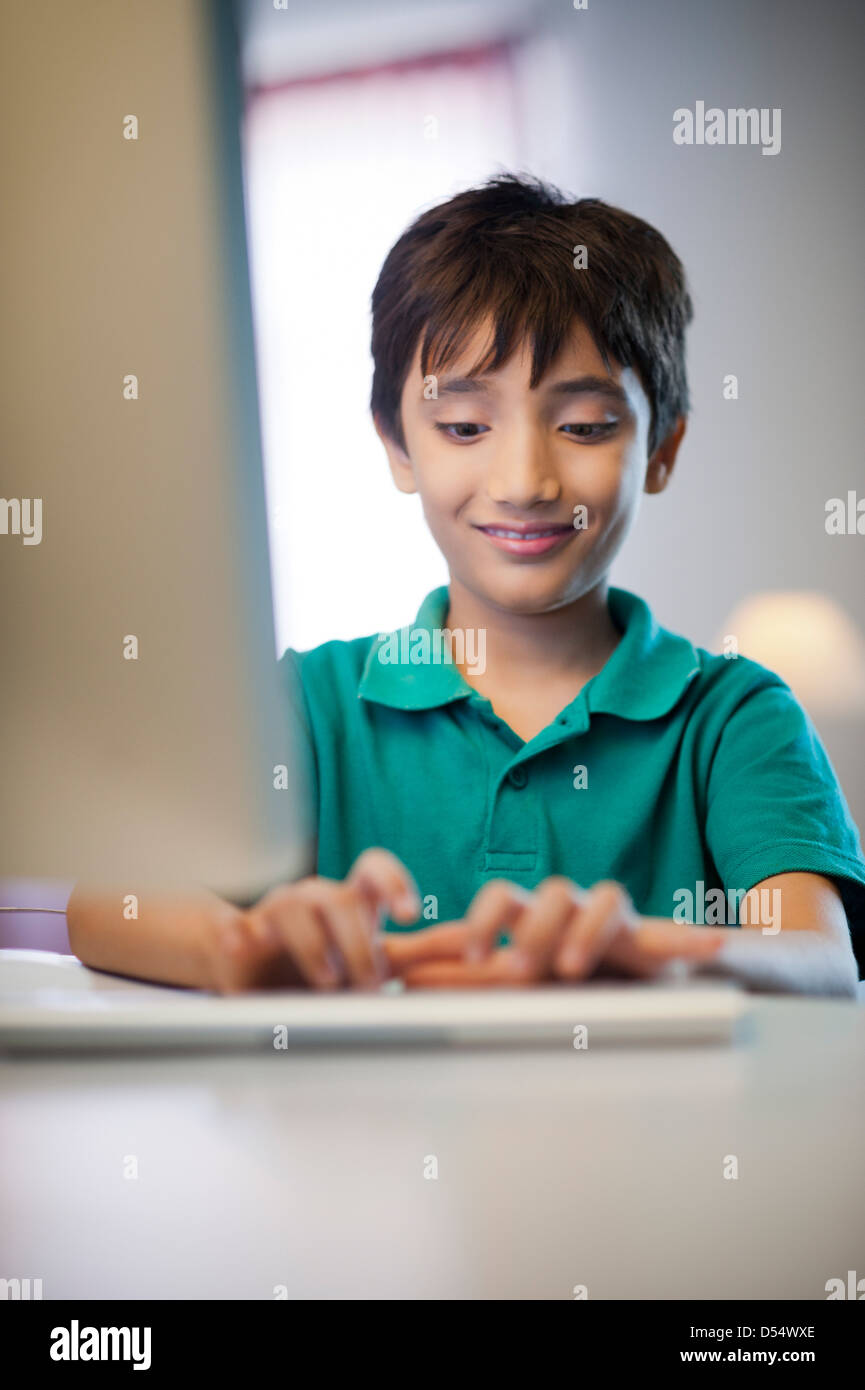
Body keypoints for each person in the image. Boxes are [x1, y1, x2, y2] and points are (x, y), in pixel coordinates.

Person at [68, 175, 865, 997]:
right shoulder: (305, 704)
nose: (523, 481)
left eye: (584, 427)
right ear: (398, 446)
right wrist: (237, 943)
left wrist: (653, 952)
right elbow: (104, 903)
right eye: (462, 427)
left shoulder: (734, 717)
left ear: (662, 447)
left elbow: (819, 959)